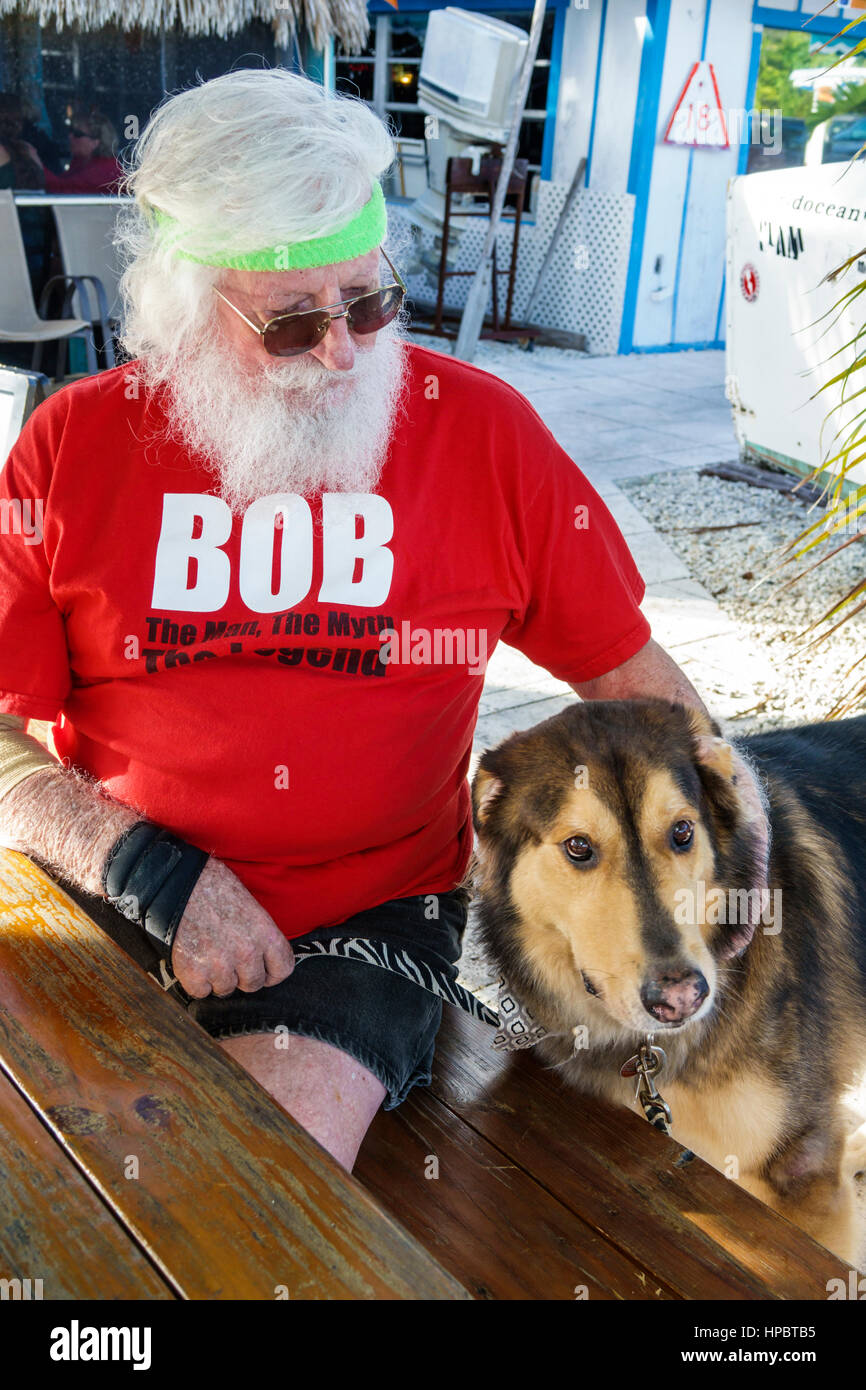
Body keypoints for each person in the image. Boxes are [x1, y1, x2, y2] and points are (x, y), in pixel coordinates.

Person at [0, 69, 769, 1173]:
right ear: (181, 310)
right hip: (101, 889)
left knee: (244, 1187)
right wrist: (148, 872)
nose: (345, 354)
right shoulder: (70, 446)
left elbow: (635, 689)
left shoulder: (484, 437)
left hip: (361, 916)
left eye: (368, 303)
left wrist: (735, 847)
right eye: (293, 323)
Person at [41, 103, 123, 195]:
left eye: (77, 134)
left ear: (95, 142)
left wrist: (37, 165)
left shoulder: (106, 169)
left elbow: (62, 190)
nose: (70, 136)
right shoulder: (80, 162)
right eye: (71, 131)